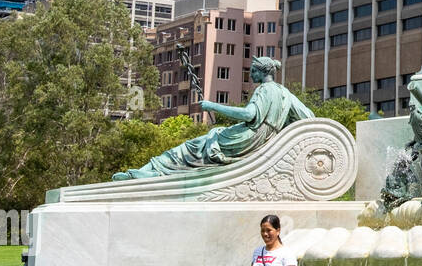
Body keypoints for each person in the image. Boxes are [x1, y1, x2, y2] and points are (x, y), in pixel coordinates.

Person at [113, 56, 313, 180]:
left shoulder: (264, 90)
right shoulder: (284, 92)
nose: (250, 74)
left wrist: (211, 106)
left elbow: (249, 115)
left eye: (253, 71)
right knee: (205, 140)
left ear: (262, 72)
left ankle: (154, 171)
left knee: (193, 146)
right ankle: (151, 170)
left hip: (249, 137)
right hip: (264, 138)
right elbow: (309, 117)